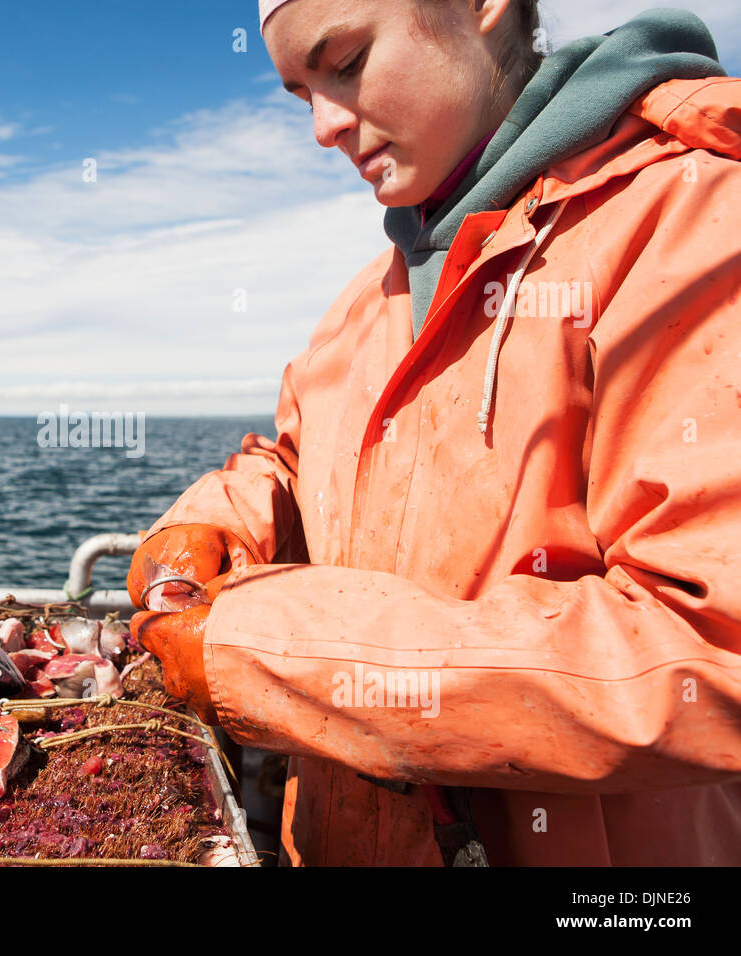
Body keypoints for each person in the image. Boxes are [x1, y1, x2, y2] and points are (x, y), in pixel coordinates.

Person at [129, 0, 741, 865]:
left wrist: (263, 650)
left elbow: (708, 651)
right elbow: (302, 466)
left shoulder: (698, 221)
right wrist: (220, 517)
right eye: (300, 93)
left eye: (344, 62)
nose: (324, 127)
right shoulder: (366, 300)